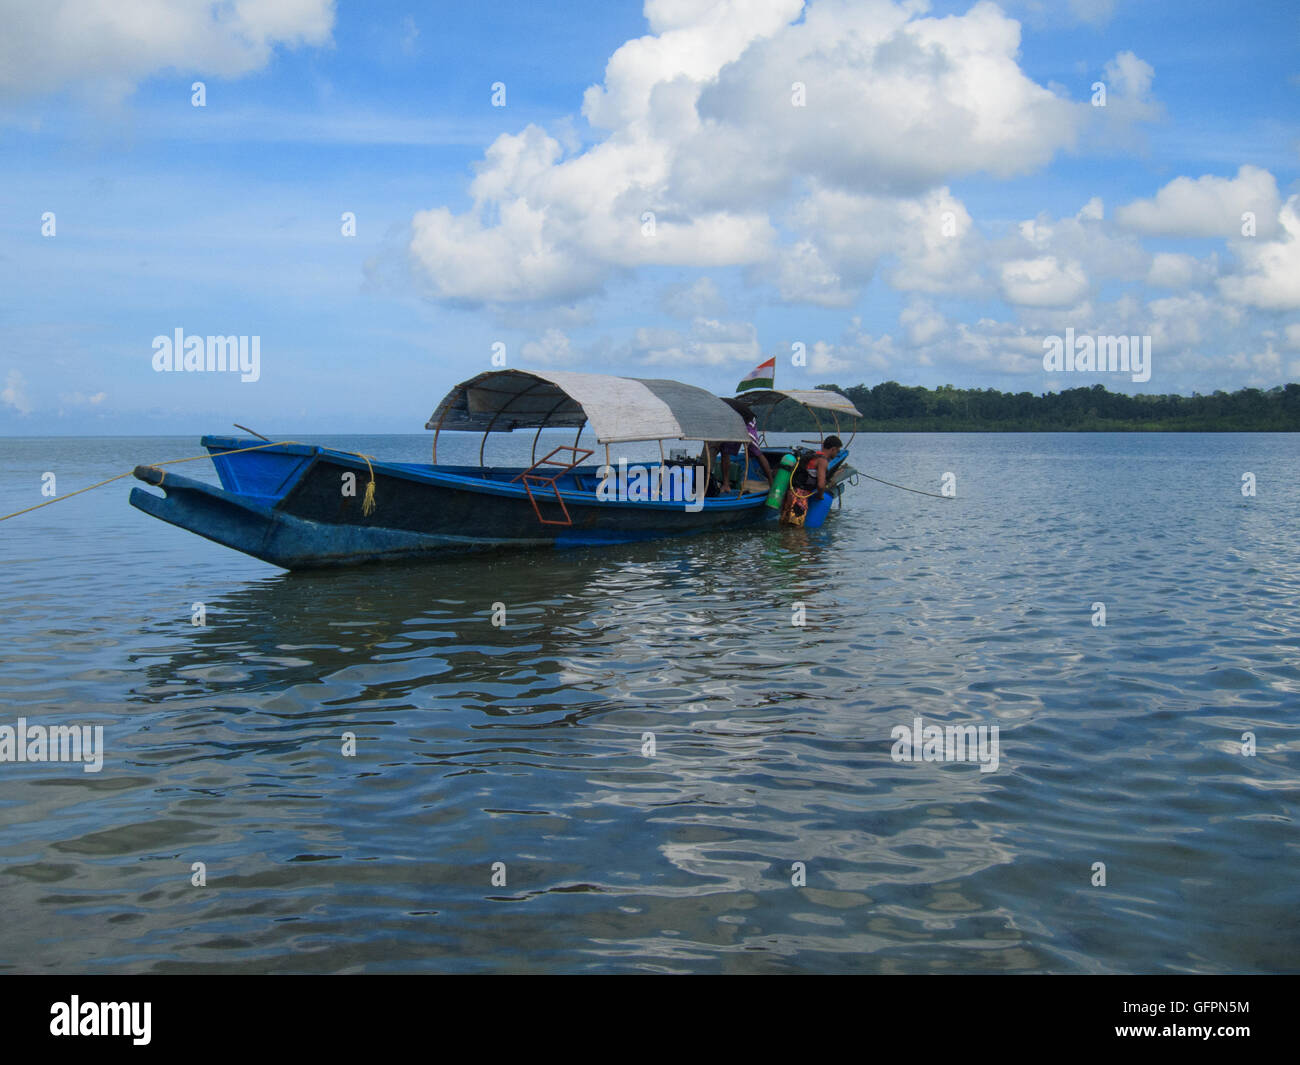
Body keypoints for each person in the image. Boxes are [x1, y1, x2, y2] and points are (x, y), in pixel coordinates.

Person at [718, 398, 773, 490]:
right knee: (724, 451)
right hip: (733, 423)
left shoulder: (717, 404)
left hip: (747, 421)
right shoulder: (714, 406)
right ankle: (726, 484)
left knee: (756, 452)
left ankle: (771, 482)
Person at [793, 435, 842, 503]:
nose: (837, 454)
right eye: (838, 451)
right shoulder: (822, 461)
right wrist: (820, 496)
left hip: (793, 490)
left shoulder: (814, 455)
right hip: (801, 495)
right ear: (833, 449)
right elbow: (820, 485)